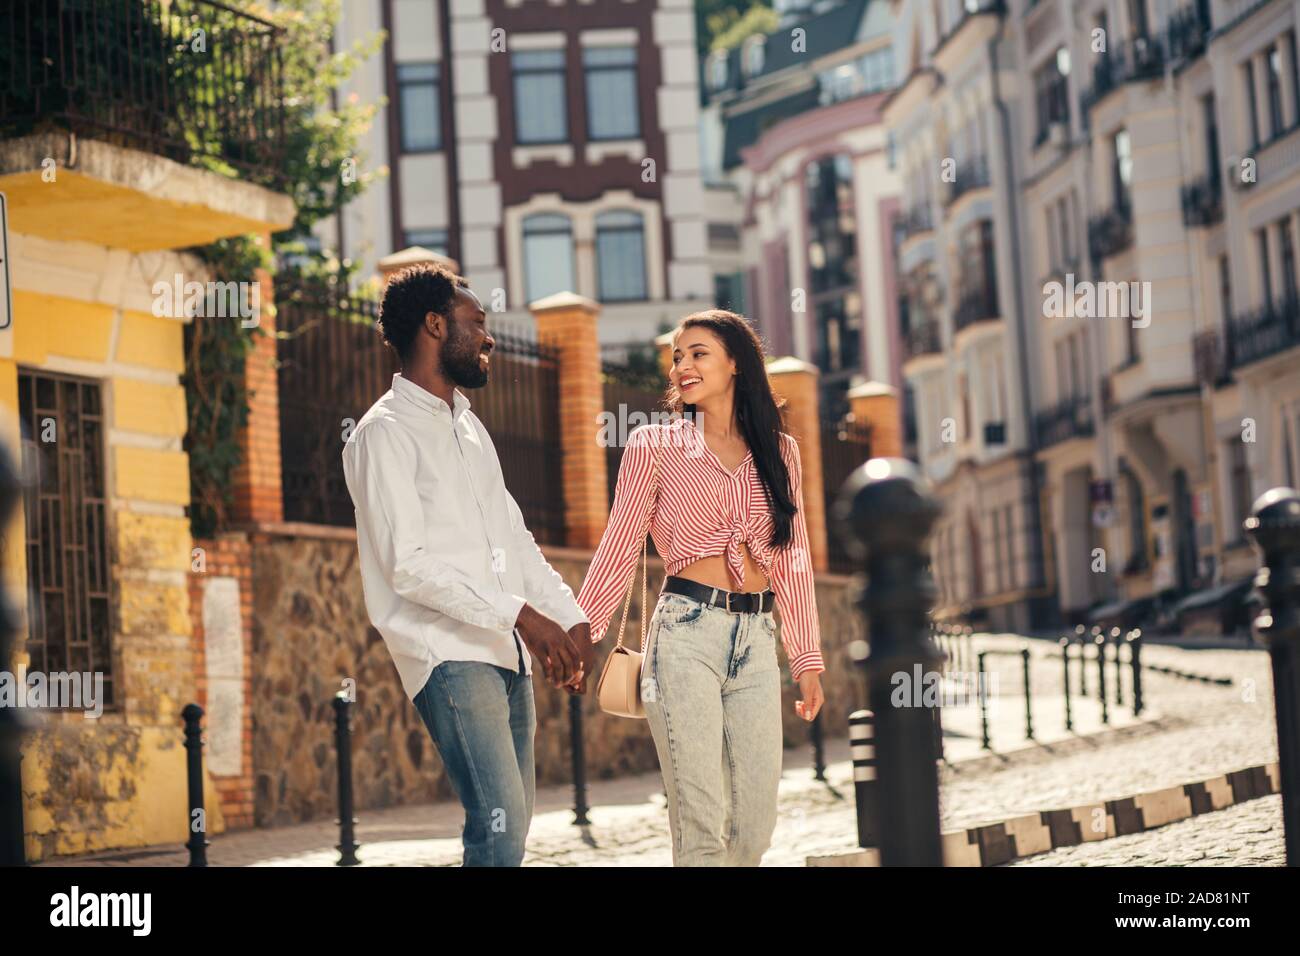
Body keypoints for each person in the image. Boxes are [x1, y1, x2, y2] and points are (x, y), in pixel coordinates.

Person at [342, 263, 596, 867]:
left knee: (513, 826)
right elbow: (408, 566)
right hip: (448, 655)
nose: (487, 337)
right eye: (476, 322)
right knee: (497, 826)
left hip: (504, 654)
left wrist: (571, 617)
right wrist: (525, 618)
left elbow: (513, 537)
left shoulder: (471, 428)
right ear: (435, 325)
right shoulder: (383, 435)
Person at [574, 309, 825, 866]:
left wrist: (806, 658)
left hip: (757, 639)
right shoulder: (652, 446)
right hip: (685, 636)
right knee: (700, 823)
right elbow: (620, 546)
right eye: (677, 357)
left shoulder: (782, 455)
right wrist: (580, 635)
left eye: (698, 353)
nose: (683, 366)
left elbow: (793, 560)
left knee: (755, 827)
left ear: (736, 363)